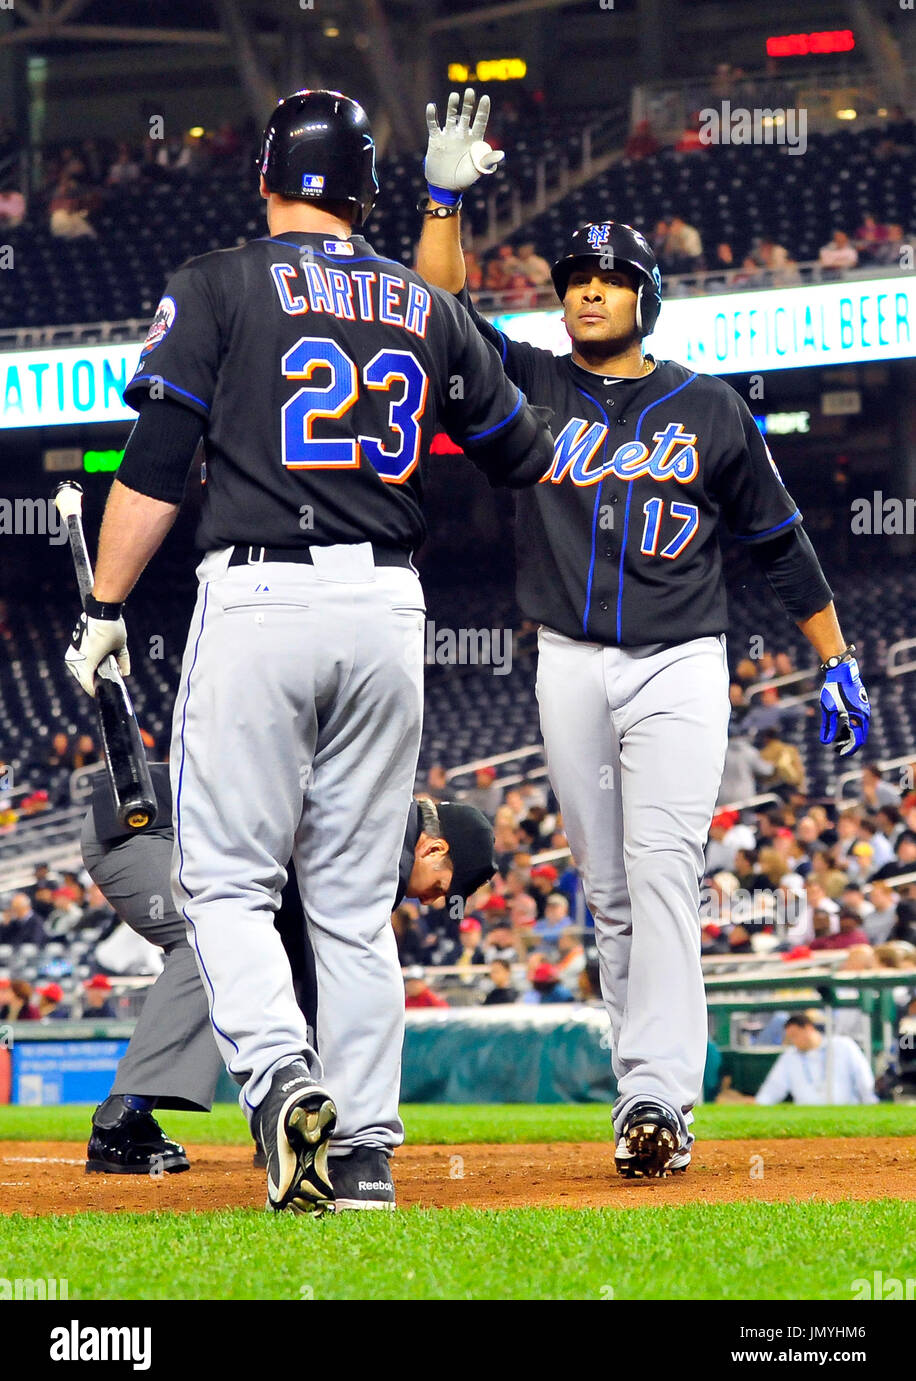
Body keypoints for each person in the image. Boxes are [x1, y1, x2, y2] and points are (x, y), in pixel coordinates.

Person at [63, 89, 551, 1216]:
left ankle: (283, 1080)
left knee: (226, 885)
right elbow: (519, 453)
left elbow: (157, 457)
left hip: (261, 595)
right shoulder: (419, 305)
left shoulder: (221, 280)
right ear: (368, 189)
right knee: (345, 902)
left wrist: (104, 605)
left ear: (269, 176)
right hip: (388, 610)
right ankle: (369, 1154)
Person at [417, 85, 870, 1178]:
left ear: (646, 296)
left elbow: (779, 540)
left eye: (610, 278)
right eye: (575, 279)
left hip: (678, 662)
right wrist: (441, 203)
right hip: (565, 663)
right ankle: (642, 1096)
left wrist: (836, 655)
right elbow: (435, 320)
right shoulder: (528, 382)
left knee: (662, 867)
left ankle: (662, 1091)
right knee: (608, 889)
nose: (587, 292)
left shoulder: (709, 405)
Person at [80, 763, 496, 1178]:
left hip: (191, 836)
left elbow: (306, 968)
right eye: (441, 887)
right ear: (433, 849)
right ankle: (123, 1119)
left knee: (238, 945)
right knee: (210, 939)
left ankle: (279, 1119)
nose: (433, 903)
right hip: (146, 825)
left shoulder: (375, 831)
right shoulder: (376, 842)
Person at [755, 1013, 877, 1104]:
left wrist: (871, 1102)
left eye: (795, 1036)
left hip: (845, 1111)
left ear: (809, 1028)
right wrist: (759, 1103)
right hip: (805, 1116)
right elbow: (774, 1087)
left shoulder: (844, 1045)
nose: (794, 1041)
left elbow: (863, 1078)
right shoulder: (789, 1056)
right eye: (790, 1038)